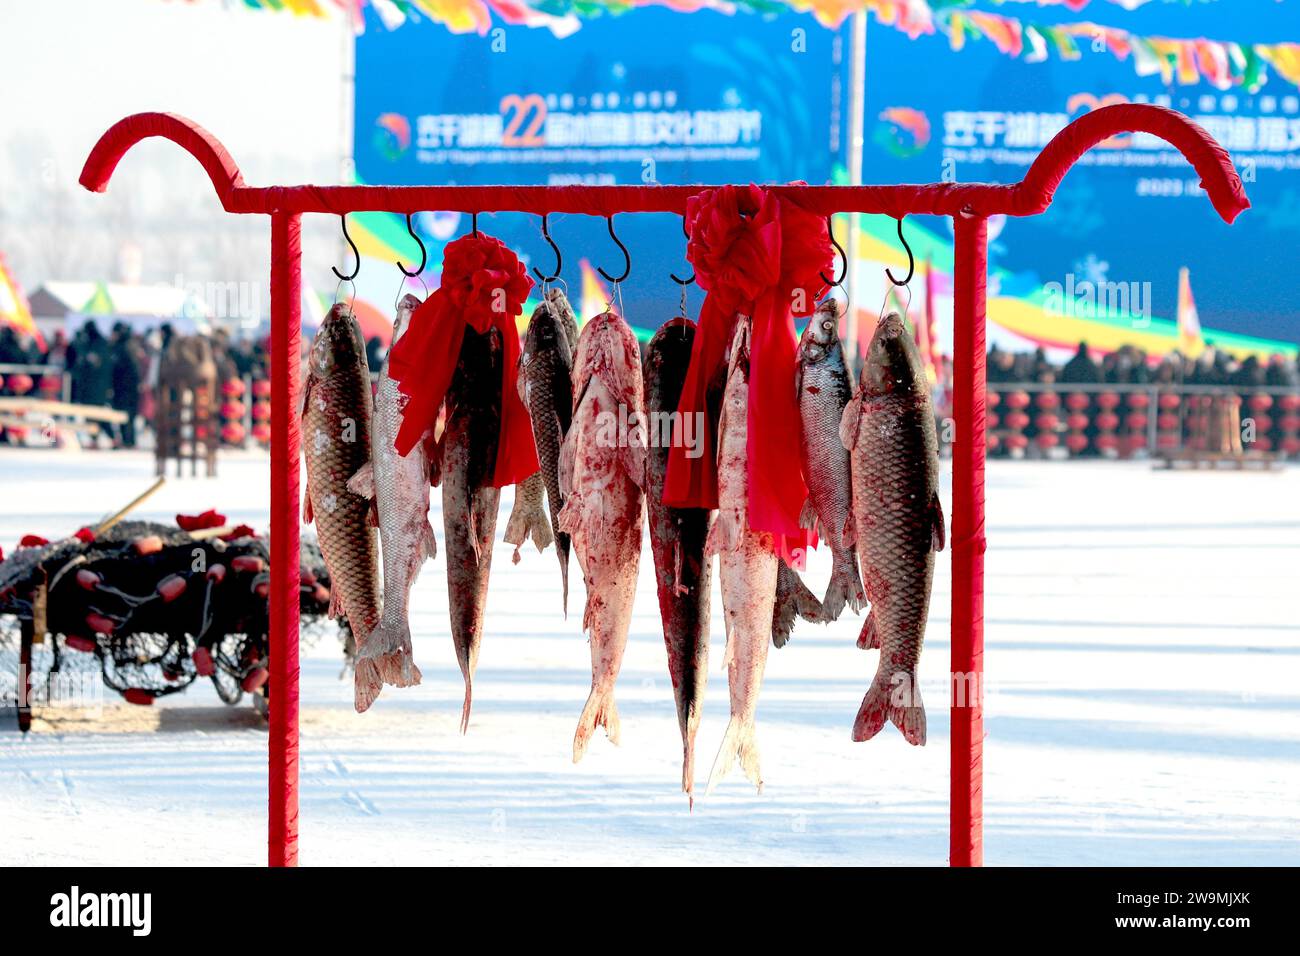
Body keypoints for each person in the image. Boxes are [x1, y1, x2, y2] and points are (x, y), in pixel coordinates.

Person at [109, 327, 143, 447]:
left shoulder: (121, 348)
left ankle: (128, 441)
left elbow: (120, 369)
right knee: (129, 417)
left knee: (125, 416)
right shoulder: (132, 346)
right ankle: (129, 441)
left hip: (123, 388)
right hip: (131, 388)